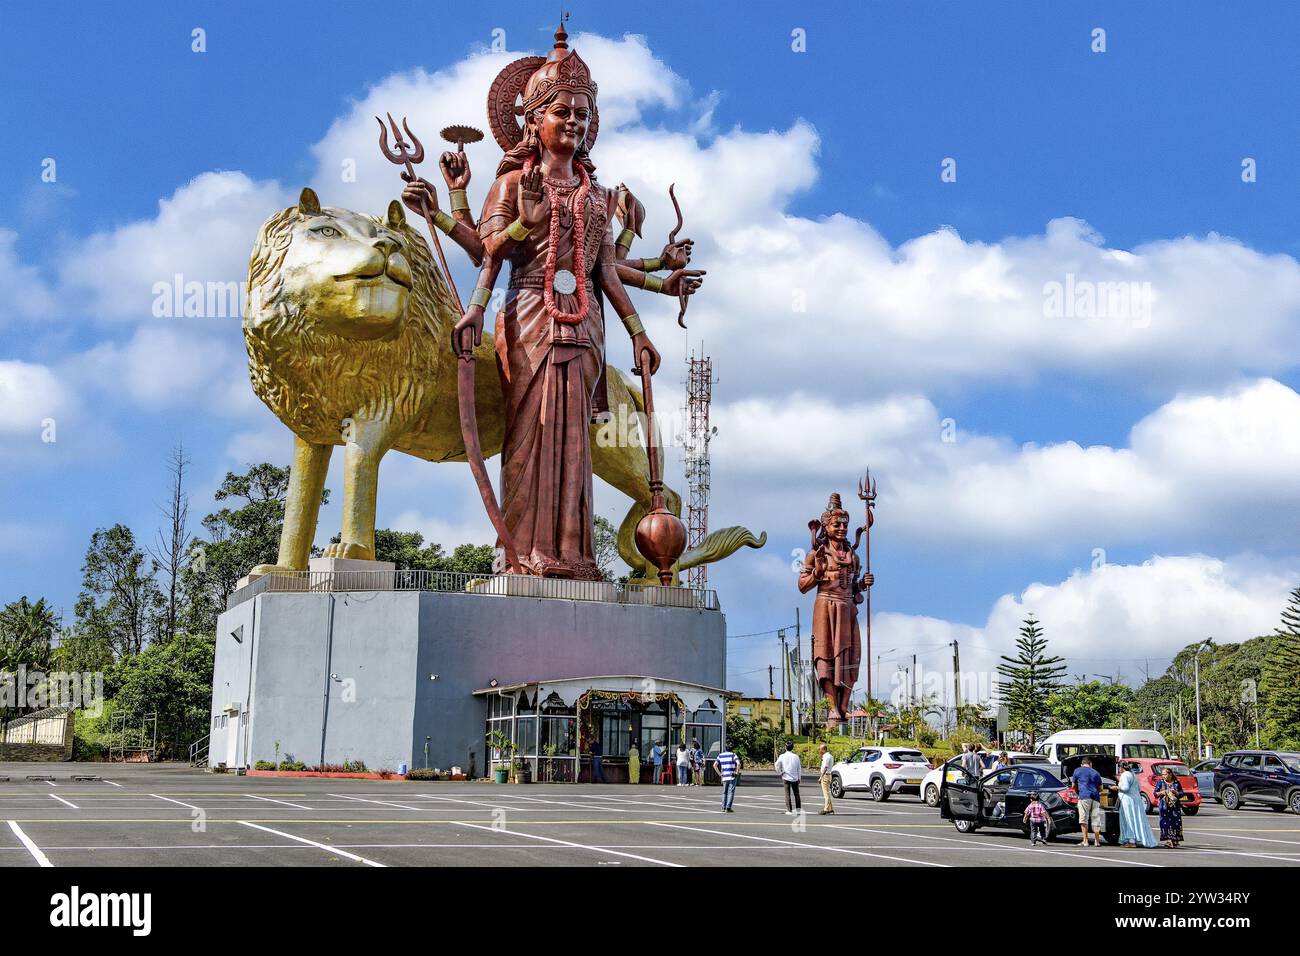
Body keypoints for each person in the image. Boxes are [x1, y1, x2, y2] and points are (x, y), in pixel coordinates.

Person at [1117, 761, 1159, 847]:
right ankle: (1137, 838)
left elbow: (1125, 787)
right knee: (1136, 819)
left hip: (1127, 800)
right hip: (1136, 799)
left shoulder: (1125, 775)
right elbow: (1139, 788)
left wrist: (1116, 787)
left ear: (1121, 768)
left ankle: (1131, 840)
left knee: (1128, 819)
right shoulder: (1133, 774)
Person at [1071, 756, 1104, 847]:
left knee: (1084, 819)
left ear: (1082, 764)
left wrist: (1078, 792)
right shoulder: (1096, 772)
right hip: (1096, 797)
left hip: (1084, 797)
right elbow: (1101, 788)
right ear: (1090, 764)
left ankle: (1085, 841)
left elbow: (1073, 786)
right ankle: (1097, 841)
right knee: (1095, 819)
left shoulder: (1077, 770)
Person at [1154, 765, 1184, 847]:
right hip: (1164, 806)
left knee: (1175, 822)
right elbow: (1155, 793)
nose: (1163, 776)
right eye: (1162, 774)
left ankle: (1175, 839)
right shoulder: (1160, 782)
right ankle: (1169, 840)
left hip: (1175, 806)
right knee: (1165, 822)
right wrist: (1162, 792)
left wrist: (1176, 793)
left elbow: (1182, 793)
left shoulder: (1176, 783)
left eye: (1165, 774)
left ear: (1170, 774)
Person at [775, 741, 802, 815]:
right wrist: (799, 777)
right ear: (792, 747)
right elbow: (799, 768)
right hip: (795, 777)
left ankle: (789, 810)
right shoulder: (796, 756)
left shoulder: (782, 756)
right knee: (796, 794)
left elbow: (776, 765)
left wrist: (780, 772)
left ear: (785, 747)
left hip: (786, 776)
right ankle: (798, 809)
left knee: (787, 794)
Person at [715, 744, 741, 812]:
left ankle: (723, 807)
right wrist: (737, 772)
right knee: (731, 792)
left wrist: (720, 774)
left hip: (724, 776)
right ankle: (728, 807)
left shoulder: (720, 755)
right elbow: (738, 763)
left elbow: (714, 765)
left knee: (724, 792)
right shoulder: (733, 755)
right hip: (732, 776)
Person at [817, 743, 835, 815]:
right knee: (827, 792)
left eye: (820, 749)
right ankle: (830, 808)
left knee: (826, 794)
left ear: (823, 749)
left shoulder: (826, 757)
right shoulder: (829, 756)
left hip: (825, 775)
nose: (819, 750)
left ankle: (826, 809)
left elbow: (825, 767)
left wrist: (821, 777)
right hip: (829, 775)